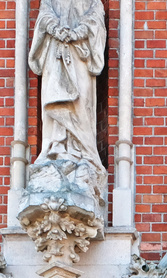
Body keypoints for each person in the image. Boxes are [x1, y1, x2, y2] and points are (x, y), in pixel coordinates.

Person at [29, 0, 106, 173]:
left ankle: (80, 150)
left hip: (79, 57)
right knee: (55, 96)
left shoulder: (93, 1)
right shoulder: (50, 0)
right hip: (55, 55)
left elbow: (96, 20)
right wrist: (56, 29)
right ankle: (55, 146)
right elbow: (44, 16)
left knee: (80, 101)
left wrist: (77, 32)